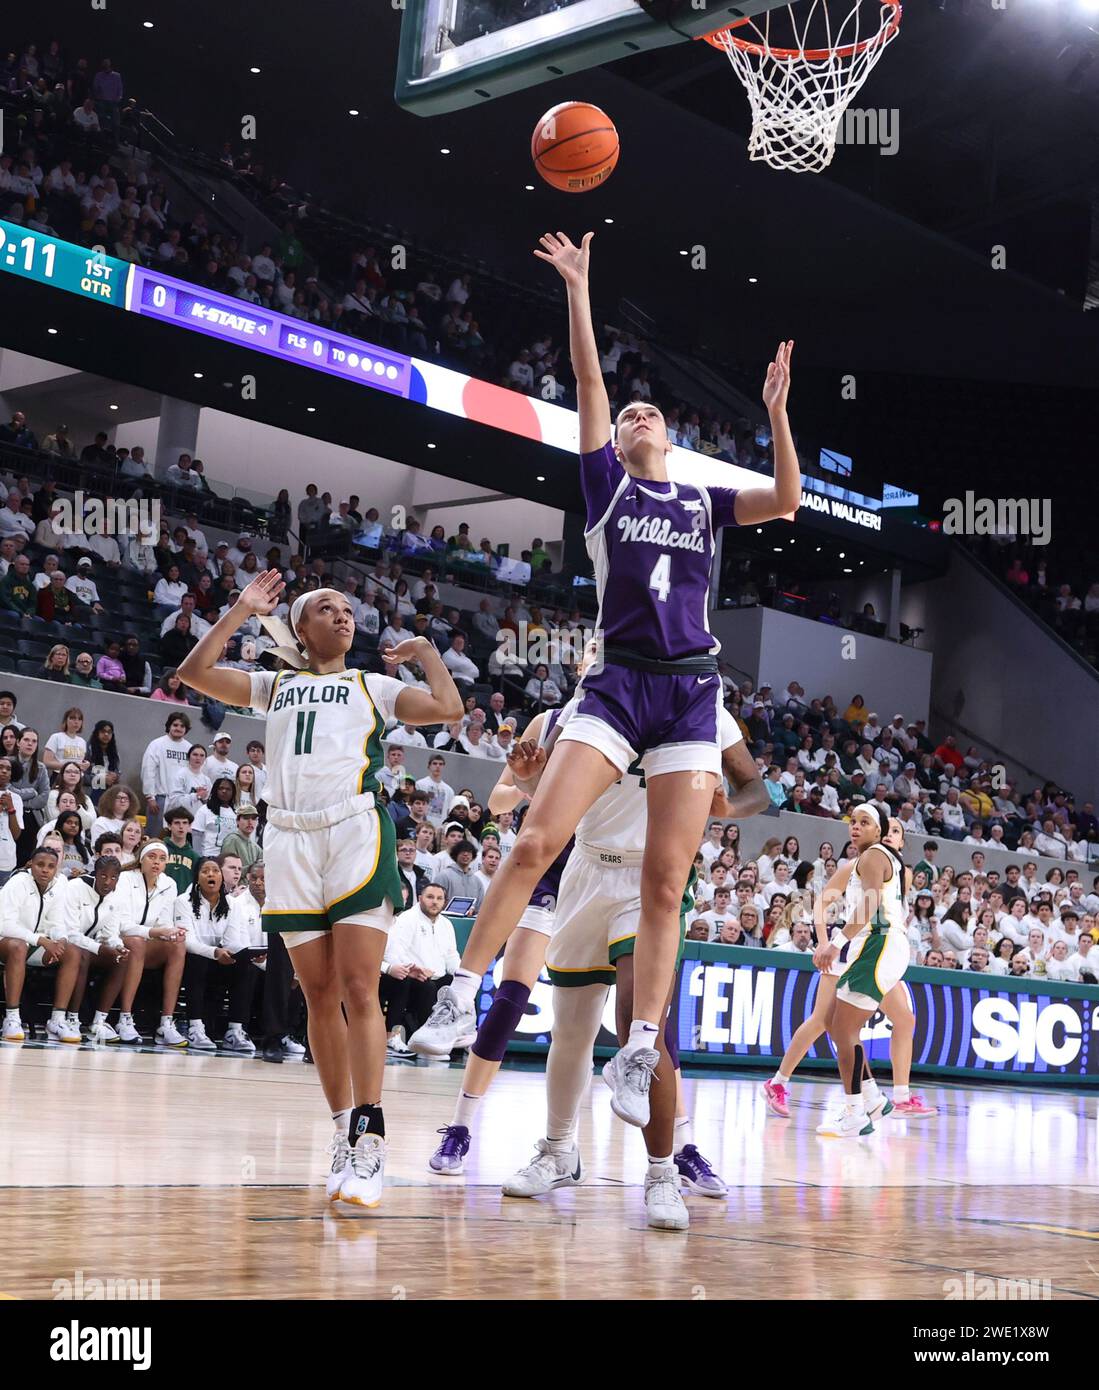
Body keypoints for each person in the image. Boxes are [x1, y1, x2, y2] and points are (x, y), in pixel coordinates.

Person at [406, 231, 799, 1139]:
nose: (634, 416)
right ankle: (462, 994)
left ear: (673, 436)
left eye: (648, 413)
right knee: (536, 836)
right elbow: (586, 384)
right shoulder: (606, 494)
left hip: (692, 694)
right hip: (617, 684)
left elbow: (783, 499)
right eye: (625, 416)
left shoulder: (703, 502)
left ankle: (640, 1050)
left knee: (668, 883)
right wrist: (579, 291)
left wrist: (776, 412)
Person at [176, 572, 463, 1209]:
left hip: (356, 830)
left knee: (361, 986)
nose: (344, 616)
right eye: (326, 609)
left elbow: (449, 710)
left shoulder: (374, 684)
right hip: (289, 839)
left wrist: (426, 653)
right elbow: (194, 671)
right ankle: (340, 1131)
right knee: (319, 992)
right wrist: (241, 610)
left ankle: (371, 1136)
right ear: (300, 631)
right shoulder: (272, 686)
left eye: (348, 609)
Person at [761, 819, 936, 1121]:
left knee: (904, 1020)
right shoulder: (855, 866)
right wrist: (825, 941)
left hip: (877, 951)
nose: (892, 835)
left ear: (903, 842)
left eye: (898, 831)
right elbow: (820, 905)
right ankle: (778, 1083)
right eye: (888, 830)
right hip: (848, 950)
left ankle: (901, 1096)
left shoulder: (901, 875)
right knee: (822, 1021)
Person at [810, 807, 914, 1137]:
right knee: (831, 1021)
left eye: (864, 822)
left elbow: (869, 905)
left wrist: (834, 943)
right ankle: (871, 1098)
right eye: (853, 822)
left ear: (879, 829)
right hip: (873, 945)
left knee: (844, 1029)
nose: (856, 827)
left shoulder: (874, 856)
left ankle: (854, 1111)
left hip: (879, 944)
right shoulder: (869, 859)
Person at [92, 842, 186, 1047]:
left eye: (162, 859)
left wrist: (170, 933)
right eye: (152, 857)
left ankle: (166, 1024)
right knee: (136, 941)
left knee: (178, 945)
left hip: (145, 942)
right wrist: (155, 932)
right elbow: (123, 926)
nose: (157, 862)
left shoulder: (169, 884)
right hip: (113, 939)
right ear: (141, 860)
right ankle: (125, 1018)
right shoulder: (125, 879)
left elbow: (164, 922)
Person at [174, 857, 260, 1052]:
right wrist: (214, 952)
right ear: (196, 877)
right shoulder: (183, 901)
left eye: (215, 871)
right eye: (205, 871)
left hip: (220, 959)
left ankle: (235, 1031)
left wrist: (248, 954)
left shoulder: (233, 903)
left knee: (246, 965)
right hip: (193, 960)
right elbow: (187, 941)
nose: (211, 874)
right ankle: (195, 1028)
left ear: (221, 877)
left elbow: (232, 940)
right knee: (197, 961)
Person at [379, 884, 460, 1050]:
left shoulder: (446, 924)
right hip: (414, 975)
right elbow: (395, 954)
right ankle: (425, 1039)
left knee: (459, 984)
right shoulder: (407, 920)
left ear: (445, 902)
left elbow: (452, 956)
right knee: (426, 986)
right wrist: (417, 969)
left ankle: (457, 1036)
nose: (434, 902)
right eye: (430, 897)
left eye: (439, 898)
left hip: (438, 975)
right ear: (420, 898)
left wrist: (461, 974)